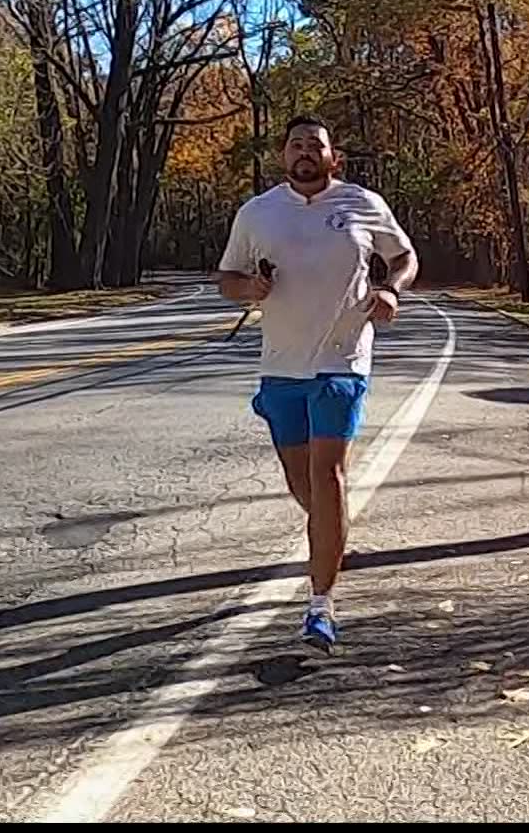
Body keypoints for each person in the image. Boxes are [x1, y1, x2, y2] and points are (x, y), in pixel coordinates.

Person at [215, 114, 418, 653]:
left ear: (335, 158)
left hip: (343, 358)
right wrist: (248, 288)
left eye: (316, 145)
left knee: (327, 476)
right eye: (296, 145)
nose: (306, 152)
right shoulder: (257, 213)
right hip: (281, 364)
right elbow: (226, 279)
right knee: (302, 483)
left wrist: (392, 289)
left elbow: (403, 256)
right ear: (284, 156)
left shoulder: (361, 204)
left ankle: (320, 604)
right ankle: (333, 536)